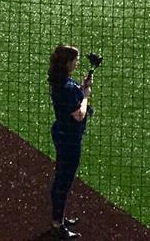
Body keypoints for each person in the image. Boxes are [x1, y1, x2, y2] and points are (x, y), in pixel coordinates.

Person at [47, 44, 91, 238]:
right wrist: (86, 96)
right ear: (68, 63)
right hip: (69, 139)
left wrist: (83, 87)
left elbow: (73, 98)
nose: (78, 62)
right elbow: (79, 114)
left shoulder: (62, 82)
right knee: (63, 181)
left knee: (61, 178)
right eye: (76, 59)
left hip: (62, 133)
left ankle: (60, 217)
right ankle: (58, 224)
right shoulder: (64, 86)